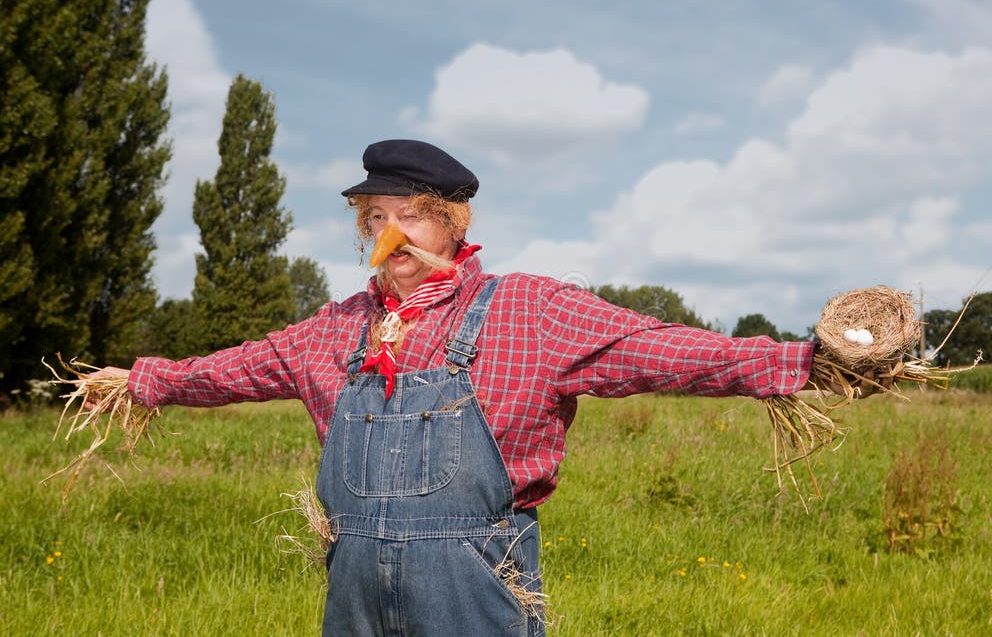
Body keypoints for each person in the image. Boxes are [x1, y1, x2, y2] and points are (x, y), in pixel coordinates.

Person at [94, 139, 829, 636]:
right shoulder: (335, 327)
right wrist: (142, 381)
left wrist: (801, 362)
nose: (391, 235)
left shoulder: (530, 310)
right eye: (375, 219)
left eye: (409, 216)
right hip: (354, 595)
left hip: (475, 587)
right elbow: (236, 367)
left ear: (452, 223)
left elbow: (659, 349)